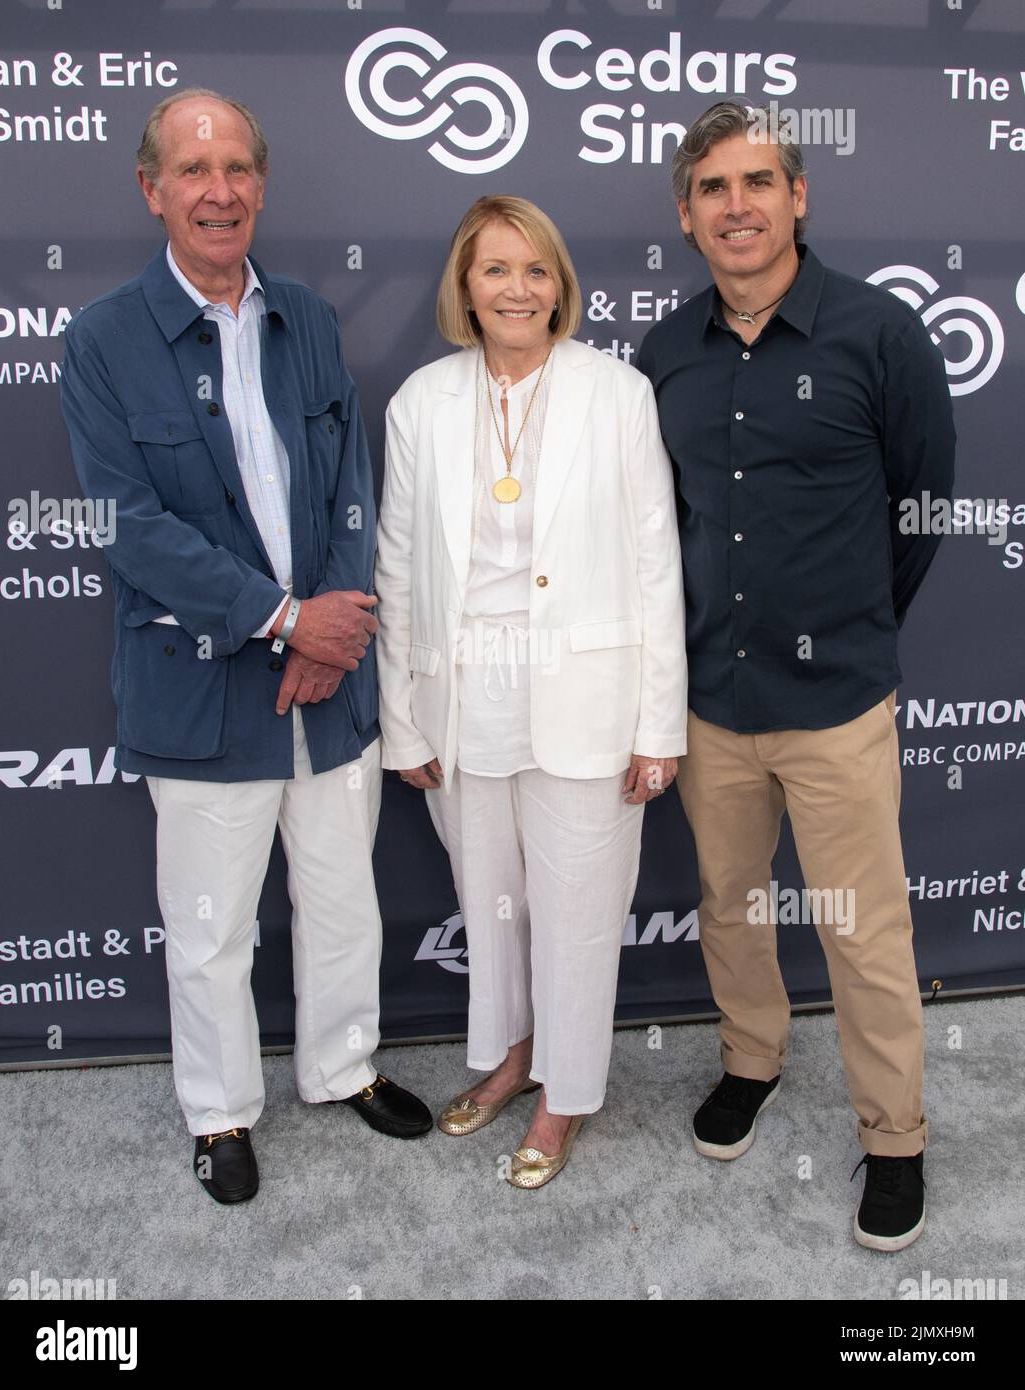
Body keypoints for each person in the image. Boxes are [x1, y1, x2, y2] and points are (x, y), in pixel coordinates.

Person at [60, 88, 432, 1206]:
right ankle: (219, 1111)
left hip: (331, 680)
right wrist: (280, 620)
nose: (217, 191)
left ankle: (343, 1067)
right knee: (213, 926)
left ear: (261, 186)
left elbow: (353, 486)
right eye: (192, 169)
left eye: (235, 169)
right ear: (151, 189)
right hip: (202, 694)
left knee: (340, 897)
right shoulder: (102, 342)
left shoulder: (307, 320)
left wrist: (335, 618)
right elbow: (130, 526)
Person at [637, 101, 955, 1249]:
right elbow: (657, 527)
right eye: (713, 188)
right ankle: (751, 1060)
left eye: (757, 182)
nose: (737, 206)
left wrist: (850, 625)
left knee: (864, 930)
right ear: (686, 214)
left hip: (834, 706)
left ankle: (895, 1134)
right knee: (729, 904)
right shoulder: (663, 354)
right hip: (709, 704)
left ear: (797, 196)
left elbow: (916, 513)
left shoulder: (878, 335)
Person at [375, 195, 687, 1189]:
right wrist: (403, 715)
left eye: (536, 269)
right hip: (464, 697)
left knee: (580, 909)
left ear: (561, 284)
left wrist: (657, 723)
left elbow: (654, 560)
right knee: (493, 905)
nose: (517, 288)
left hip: (587, 696)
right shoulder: (421, 401)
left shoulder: (616, 392)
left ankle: (565, 1093)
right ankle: (510, 1057)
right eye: (495, 269)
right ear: (464, 285)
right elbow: (396, 567)